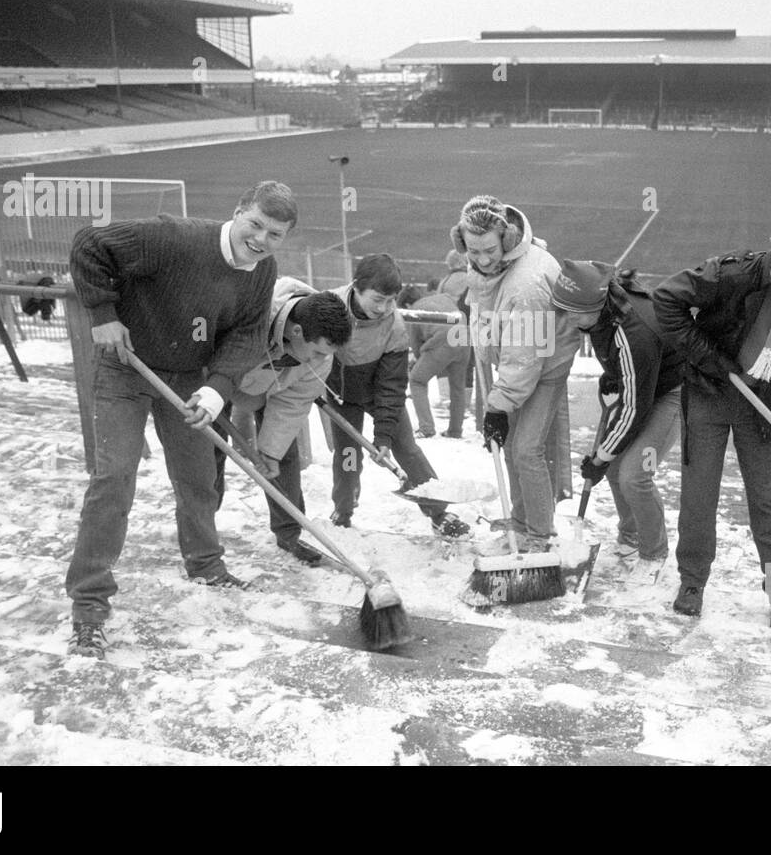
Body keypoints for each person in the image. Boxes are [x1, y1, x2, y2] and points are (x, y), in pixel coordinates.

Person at [65, 181, 296, 659]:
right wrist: (104, 312)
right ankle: (89, 604)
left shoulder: (261, 272)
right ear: (237, 211)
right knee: (115, 477)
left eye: (275, 234)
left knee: (198, 477)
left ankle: (205, 564)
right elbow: (90, 243)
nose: (261, 239)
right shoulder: (175, 238)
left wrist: (217, 388)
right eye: (255, 224)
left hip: (188, 377)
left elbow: (248, 334)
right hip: (126, 366)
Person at [652, 185, 771, 630]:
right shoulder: (732, 275)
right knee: (699, 497)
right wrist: (710, 359)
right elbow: (666, 298)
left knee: (769, 506)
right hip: (710, 395)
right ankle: (692, 581)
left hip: (763, 407)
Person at [453, 195, 579, 549]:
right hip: (517, 361)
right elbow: (482, 306)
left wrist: (497, 407)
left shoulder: (526, 284)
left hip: (546, 364)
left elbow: (524, 358)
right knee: (507, 444)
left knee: (526, 448)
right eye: (472, 251)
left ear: (507, 240)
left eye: (489, 250)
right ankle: (521, 520)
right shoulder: (483, 265)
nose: (481, 259)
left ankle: (539, 534)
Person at [550, 259, 684, 584]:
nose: (567, 319)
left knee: (634, 474)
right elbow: (630, 378)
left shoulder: (632, 333)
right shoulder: (600, 314)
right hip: (646, 384)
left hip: (676, 390)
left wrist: (599, 456)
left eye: (572, 312)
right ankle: (631, 536)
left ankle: (654, 553)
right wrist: (615, 378)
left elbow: (634, 410)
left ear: (595, 304)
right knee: (614, 466)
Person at [325, 254, 471, 539]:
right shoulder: (330, 308)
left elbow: (391, 386)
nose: (385, 308)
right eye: (378, 299)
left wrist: (383, 437)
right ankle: (343, 509)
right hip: (340, 393)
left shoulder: (394, 326)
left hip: (377, 389)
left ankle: (439, 511)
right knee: (347, 455)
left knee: (407, 448)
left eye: (392, 300)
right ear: (356, 287)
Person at [215, 278, 351, 566]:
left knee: (284, 455)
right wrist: (209, 390)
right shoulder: (251, 311)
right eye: (317, 352)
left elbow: (293, 404)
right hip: (217, 376)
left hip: (270, 384)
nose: (321, 359)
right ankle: (202, 536)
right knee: (210, 452)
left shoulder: (320, 354)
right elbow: (206, 342)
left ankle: (289, 533)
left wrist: (270, 452)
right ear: (298, 331)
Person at [400, 283, 470, 439]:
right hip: (463, 338)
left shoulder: (413, 312)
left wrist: (420, 363)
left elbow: (416, 345)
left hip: (441, 343)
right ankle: (455, 430)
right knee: (457, 387)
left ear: (406, 304)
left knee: (417, 380)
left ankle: (426, 428)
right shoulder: (444, 297)